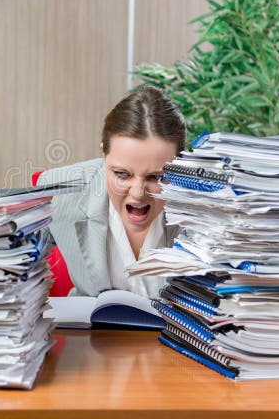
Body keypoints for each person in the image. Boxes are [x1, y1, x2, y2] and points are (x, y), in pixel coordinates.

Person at [39, 84, 187, 297]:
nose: (138, 193)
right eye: (122, 174)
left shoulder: (211, 209)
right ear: (104, 154)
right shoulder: (58, 191)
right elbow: (11, 266)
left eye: (156, 177)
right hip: (89, 320)